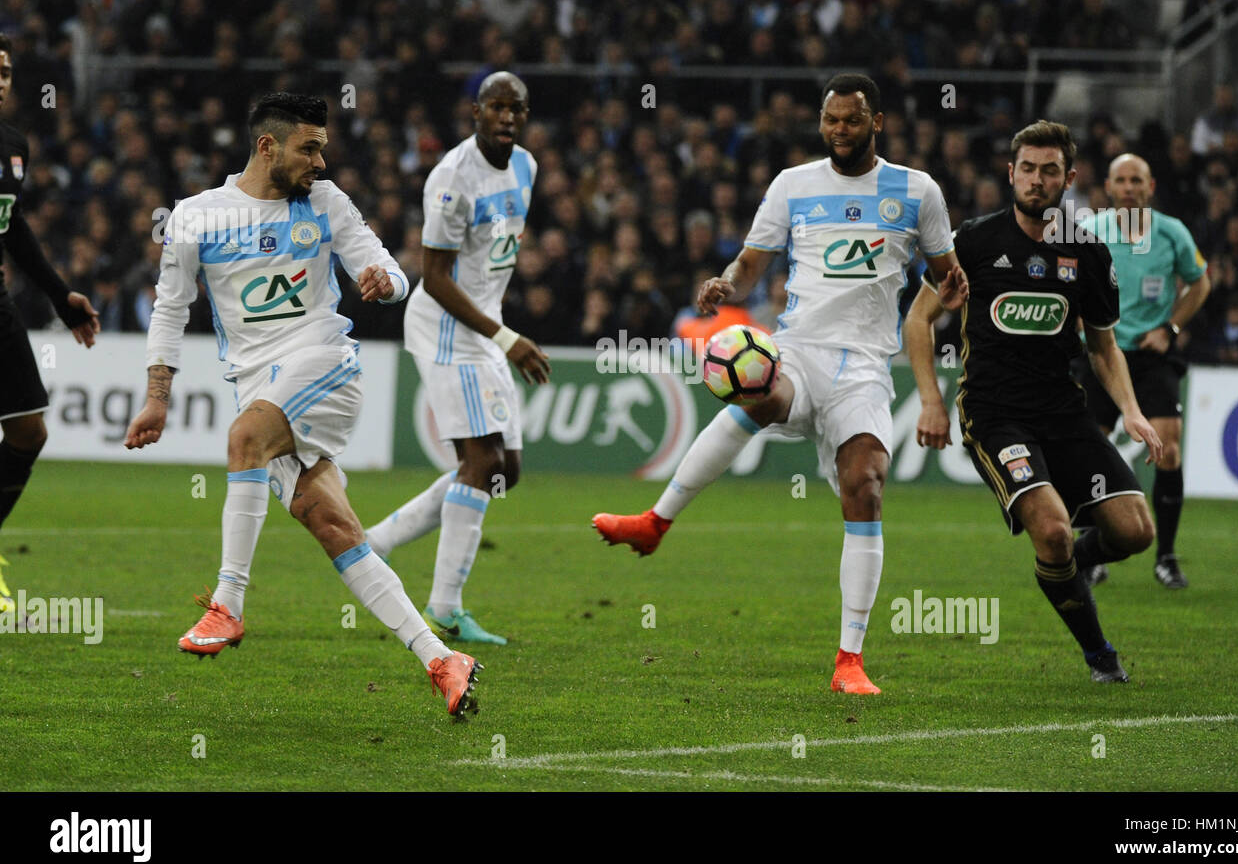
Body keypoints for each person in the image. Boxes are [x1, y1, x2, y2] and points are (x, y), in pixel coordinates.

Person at [593, 73, 968, 695]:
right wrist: (724, 285)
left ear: (876, 122)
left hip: (866, 367)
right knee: (760, 392)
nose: (839, 131)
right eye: (830, 120)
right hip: (796, 349)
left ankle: (849, 661)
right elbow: (749, 265)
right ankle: (656, 522)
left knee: (866, 486)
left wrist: (943, 295)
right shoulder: (793, 185)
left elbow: (948, 276)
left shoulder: (918, 191)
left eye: (851, 120)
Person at [124, 92, 481, 718]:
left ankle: (228, 605)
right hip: (259, 383)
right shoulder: (196, 216)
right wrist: (157, 398)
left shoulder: (327, 202)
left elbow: (390, 269)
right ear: (268, 147)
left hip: (324, 364)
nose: (321, 160)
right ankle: (441, 659)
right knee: (334, 527)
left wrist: (385, 283)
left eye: (323, 146)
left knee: (242, 439)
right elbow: (171, 308)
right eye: (309, 148)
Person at [905, 120, 1162, 684]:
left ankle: (1064, 568)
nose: (1037, 180)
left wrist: (1133, 410)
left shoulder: (1088, 252)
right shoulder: (971, 241)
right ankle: (1101, 656)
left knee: (1135, 532)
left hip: (1063, 411)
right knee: (1050, 529)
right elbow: (918, 320)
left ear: (1068, 178)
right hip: (994, 412)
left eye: (1050, 171)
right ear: (1011, 173)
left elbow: (1103, 345)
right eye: (1028, 169)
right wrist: (931, 400)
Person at [363, 72, 549, 646]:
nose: (508, 117)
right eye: (497, 107)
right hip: (448, 330)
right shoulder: (451, 179)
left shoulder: (527, 167)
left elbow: (491, 261)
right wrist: (506, 337)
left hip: (484, 327)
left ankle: (375, 543)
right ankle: (444, 609)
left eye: (516, 108)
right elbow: (437, 279)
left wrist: (497, 330)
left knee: (504, 471)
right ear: (476, 111)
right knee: (482, 464)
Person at [1076, 153, 1210, 589]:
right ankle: (1092, 549)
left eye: (1137, 179)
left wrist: (1170, 327)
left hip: (1150, 357)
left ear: (1150, 187)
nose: (1130, 187)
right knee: (1090, 448)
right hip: (1099, 350)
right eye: (1122, 180)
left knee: (1168, 447)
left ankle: (1166, 557)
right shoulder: (1090, 231)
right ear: (1109, 187)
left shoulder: (1171, 232)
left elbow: (1200, 280)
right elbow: (1067, 280)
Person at [0, 33, 100, 613]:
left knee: (28, 432)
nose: (2, 80)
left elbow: (12, 228)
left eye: (8, 71)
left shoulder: (14, 145)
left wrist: (61, 296)